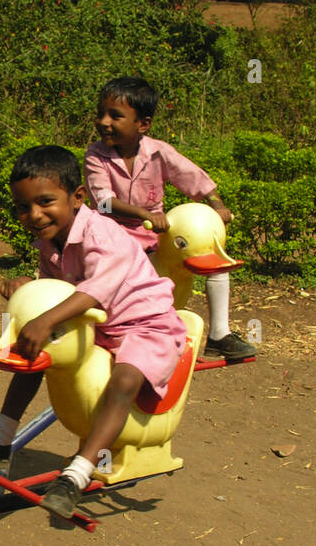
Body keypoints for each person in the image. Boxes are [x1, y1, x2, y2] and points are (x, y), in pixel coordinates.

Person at [0, 145, 185, 519]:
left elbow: (95, 291)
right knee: (33, 352)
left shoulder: (102, 235)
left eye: (45, 202)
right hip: (99, 324)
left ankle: (77, 473)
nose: (34, 215)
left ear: (77, 197)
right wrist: (28, 286)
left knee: (124, 380)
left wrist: (45, 320)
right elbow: (55, 289)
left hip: (144, 324)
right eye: (23, 207)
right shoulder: (50, 242)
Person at [86, 75, 254, 361]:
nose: (104, 122)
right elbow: (102, 203)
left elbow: (192, 177)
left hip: (154, 237)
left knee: (211, 259)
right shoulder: (96, 156)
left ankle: (219, 335)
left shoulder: (158, 152)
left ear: (143, 124)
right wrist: (143, 213)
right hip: (114, 240)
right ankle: (119, 337)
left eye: (115, 115)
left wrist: (216, 204)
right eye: (101, 114)